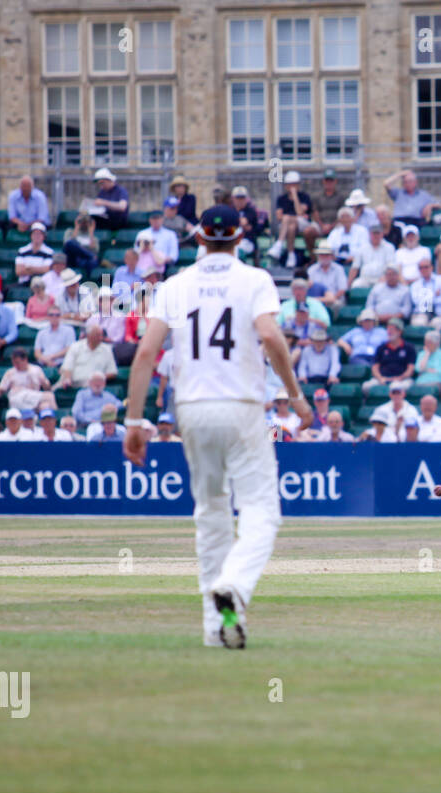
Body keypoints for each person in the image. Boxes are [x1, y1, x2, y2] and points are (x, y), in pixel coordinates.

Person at [124, 204, 311, 649]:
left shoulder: (174, 285)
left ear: (200, 238)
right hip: (241, 404)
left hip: (190, 407)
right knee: (262, 511)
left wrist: (134, 421)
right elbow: (269, 335)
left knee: (210, 512)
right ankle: (235, 586)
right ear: (240, 238)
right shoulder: (255, 280)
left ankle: (215, 626)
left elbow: (146, 354)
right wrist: (295, 396)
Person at [267, 171, 317, 268]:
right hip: (287, 226)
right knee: (291, 227)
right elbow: (279, 216)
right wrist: (290, 218)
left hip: (303, 224)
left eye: (294, 184)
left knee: (287, 218)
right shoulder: (281, 199)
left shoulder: (304, 197)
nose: (292, 187)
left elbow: (299, 212)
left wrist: (294, 196)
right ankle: (291, 256)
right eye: (290, 184)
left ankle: (279, 244)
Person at [0, 347, 54, 412]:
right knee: (49, 396)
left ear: (25, 360)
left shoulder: (36, 370)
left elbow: (47, 388)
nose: (15, 365)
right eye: (13, 363)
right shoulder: (10, 373)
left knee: (45, 406)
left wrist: (44, 382)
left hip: (34, 400)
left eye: (17, 362)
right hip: (18, 400)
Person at [56, 320, 118, 388]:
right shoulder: (75, 346)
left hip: (93, 384)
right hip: (72, 382)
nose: (100, 338)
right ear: (89, 336)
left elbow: (113, 372)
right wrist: (68, 379)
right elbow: (67, 367)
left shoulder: (107, 349)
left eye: (101, 335)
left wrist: (97, 378)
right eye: (97, 335)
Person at [363, 319, 417, 394]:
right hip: (382, 378)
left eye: (392, 329)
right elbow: (375, 367)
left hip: (401, 380)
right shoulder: (381, 347)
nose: (389, 332)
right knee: (366, 386)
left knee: (402, 387)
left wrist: (399, 378)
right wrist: (380, 378)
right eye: (388, 329)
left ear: (400, 331)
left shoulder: (409, 348)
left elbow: (410, 370)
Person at [408, 257, 441, 327]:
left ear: (432, 267)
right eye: (421, 268)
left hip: (439, 314)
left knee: (436, 324)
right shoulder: (415, 285)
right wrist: (435, 295)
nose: (423, 270)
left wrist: (425, 297)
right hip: (421, 315)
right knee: (418, 324)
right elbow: (417, 302)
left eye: (426, 267)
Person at [306, 241, 348, 307]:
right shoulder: (312, 270)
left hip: (335, 300)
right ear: (318, 255)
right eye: (322, 254)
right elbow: (308, 287)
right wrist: (320, 300)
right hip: (316, 301)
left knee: (336, 305)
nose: (324, 256)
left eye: (327, 254)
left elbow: (342, 289)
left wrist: (330, 299)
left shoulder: (339, 269)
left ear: (331, 255)